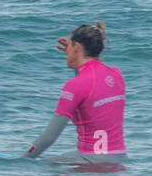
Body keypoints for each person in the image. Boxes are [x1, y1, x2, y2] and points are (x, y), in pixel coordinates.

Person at [23, 21, 126, 163]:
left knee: (40, 165)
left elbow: (49, 137)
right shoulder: (116, 74)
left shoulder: (75, 85)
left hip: (92, 162)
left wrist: (23, 160)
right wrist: (75, 55)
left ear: (77, 47)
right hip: (119, 157)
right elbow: (92, 80)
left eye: (70, 46)